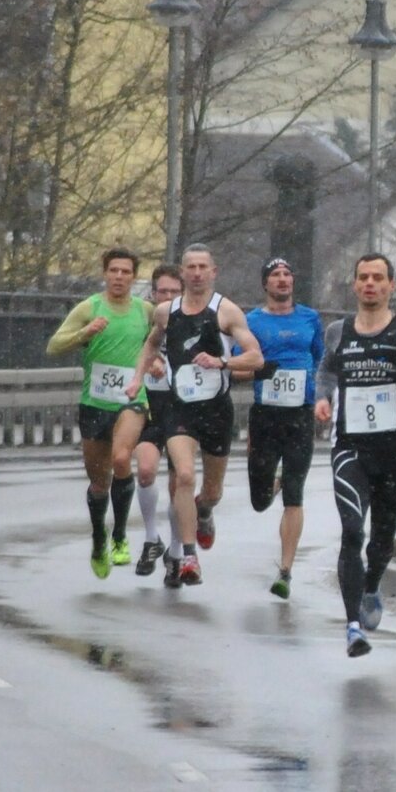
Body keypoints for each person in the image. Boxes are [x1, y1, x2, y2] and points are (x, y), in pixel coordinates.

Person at [314, 252, 396, 657]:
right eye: (363, 277)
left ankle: (372, 584)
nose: (370, 284)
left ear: (392, 286)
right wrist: (322, 398)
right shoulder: (338, 331)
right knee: (352, 530)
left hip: (393, 452)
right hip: (350, 448)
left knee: (380, 542)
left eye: (378, 278)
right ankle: (354, 626)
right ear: (354, 285)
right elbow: (326, 371)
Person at [128, 244, 262, 586]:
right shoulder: (165, 312)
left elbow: (256, 357)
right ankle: (188, 556)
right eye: (191, 267)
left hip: (216, 410)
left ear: (213, 272)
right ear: (183, 272)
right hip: (180, 408)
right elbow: (150, 344)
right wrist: (136, 378)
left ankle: (204, 511)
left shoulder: (227, 312)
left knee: (212, 491)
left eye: (204, 267)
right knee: (184, 477)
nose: (198, 273)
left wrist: (223, 362)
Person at [46, 247, 153, 578]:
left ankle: (120, 535)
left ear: (134, 277)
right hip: (95, 403)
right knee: (98, 483)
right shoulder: (89, 307)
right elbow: (54, 346)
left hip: (132, 399)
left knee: (122, 459)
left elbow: (160, 342)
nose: (119, 277)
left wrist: (157, 362)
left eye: (125, 272)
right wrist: (84, 333)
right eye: (114, 271)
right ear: (105, 274)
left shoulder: (145, 311)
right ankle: (98, 539)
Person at [245, 257, 326, 598]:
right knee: (261, 501)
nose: (282, 279)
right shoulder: (251, 321)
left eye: (287, 274)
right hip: (265, 416)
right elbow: (238, 362)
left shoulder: (310, 318)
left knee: (295, 492)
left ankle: (286, 570)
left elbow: (321, 361)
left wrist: (321, 393)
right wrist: (259, 370)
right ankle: (270, 485)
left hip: (300, 415)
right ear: (265, 284)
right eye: (275, 275)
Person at [128, 264, 184, 576]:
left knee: (179, 487)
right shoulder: (145, 321)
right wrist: (151, 362)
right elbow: (139, 349)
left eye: (174, 292)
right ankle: (152, 539)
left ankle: (175, 552)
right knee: (146, 471)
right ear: (153, 293)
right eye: (163, 291)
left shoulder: (193, 320)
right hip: (152, 408)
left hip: (182, 411)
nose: (168, 296)